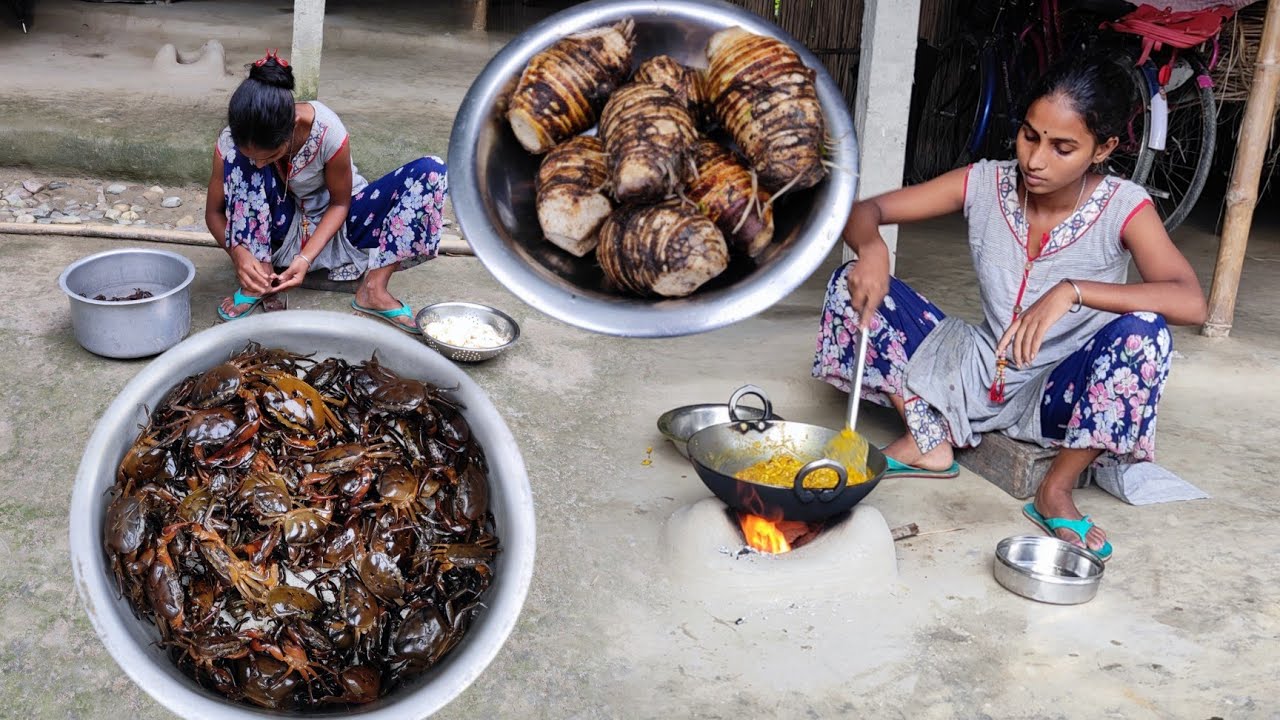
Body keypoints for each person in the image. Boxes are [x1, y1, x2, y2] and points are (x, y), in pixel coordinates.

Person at [813, 55, 1208, 561]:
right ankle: (928, 440)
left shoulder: (1122, 205)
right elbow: (866, 210)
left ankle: (1055, 490)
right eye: (1029, 136)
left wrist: (1072, 289)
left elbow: (1188, 299)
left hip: (1056, 387)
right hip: (979, 362)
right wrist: (872, 249)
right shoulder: (986, 183)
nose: (1036, 160)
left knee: (1145, 333)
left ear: (1102, 149)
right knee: (853, 286)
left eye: (1063, 147)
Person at [205, 50, 448, 333]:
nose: (260, 163)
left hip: (339, 226)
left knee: (432, 171)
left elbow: (340, 204)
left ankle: (373, 289)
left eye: (269, 156)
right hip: (277, 231)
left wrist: (306, 257)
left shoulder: (327, 131)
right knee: (240, 161)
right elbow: (213, 213)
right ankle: (259, 279)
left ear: (292, 127)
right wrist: (238, 253)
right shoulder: (232, 141)